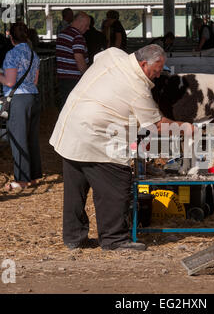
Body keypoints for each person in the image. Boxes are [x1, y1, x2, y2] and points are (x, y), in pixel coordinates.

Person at [49, 45, 193, 251]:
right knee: (116, 186)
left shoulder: (113, 54)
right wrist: (187, 128)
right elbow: (156, 125)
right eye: (157, 69)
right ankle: (114, 239)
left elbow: (98, 56)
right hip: (96, 136)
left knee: (75, 189)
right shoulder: (137, 87)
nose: (160, 74)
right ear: (144, 64)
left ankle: (74, 237)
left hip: (70, 127)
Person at [0, 22, 41, 191]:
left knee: (18, 139)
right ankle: (33, 176)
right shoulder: (33, 54)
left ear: (11, 37)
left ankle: (21, 180)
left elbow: (10, 82)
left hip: (18, 100)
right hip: (32, 97)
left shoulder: (12, 54)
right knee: (31, 138)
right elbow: (35, 81)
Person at [55, 12, 90, 111]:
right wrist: (87, 76)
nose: (88, 28)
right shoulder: (78, 37)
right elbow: (79, 60)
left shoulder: (62, 35)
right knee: (75, 108)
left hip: (62, 77)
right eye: (87, 25)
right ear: (80, 22)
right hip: (74, 79)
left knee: (66, 106)